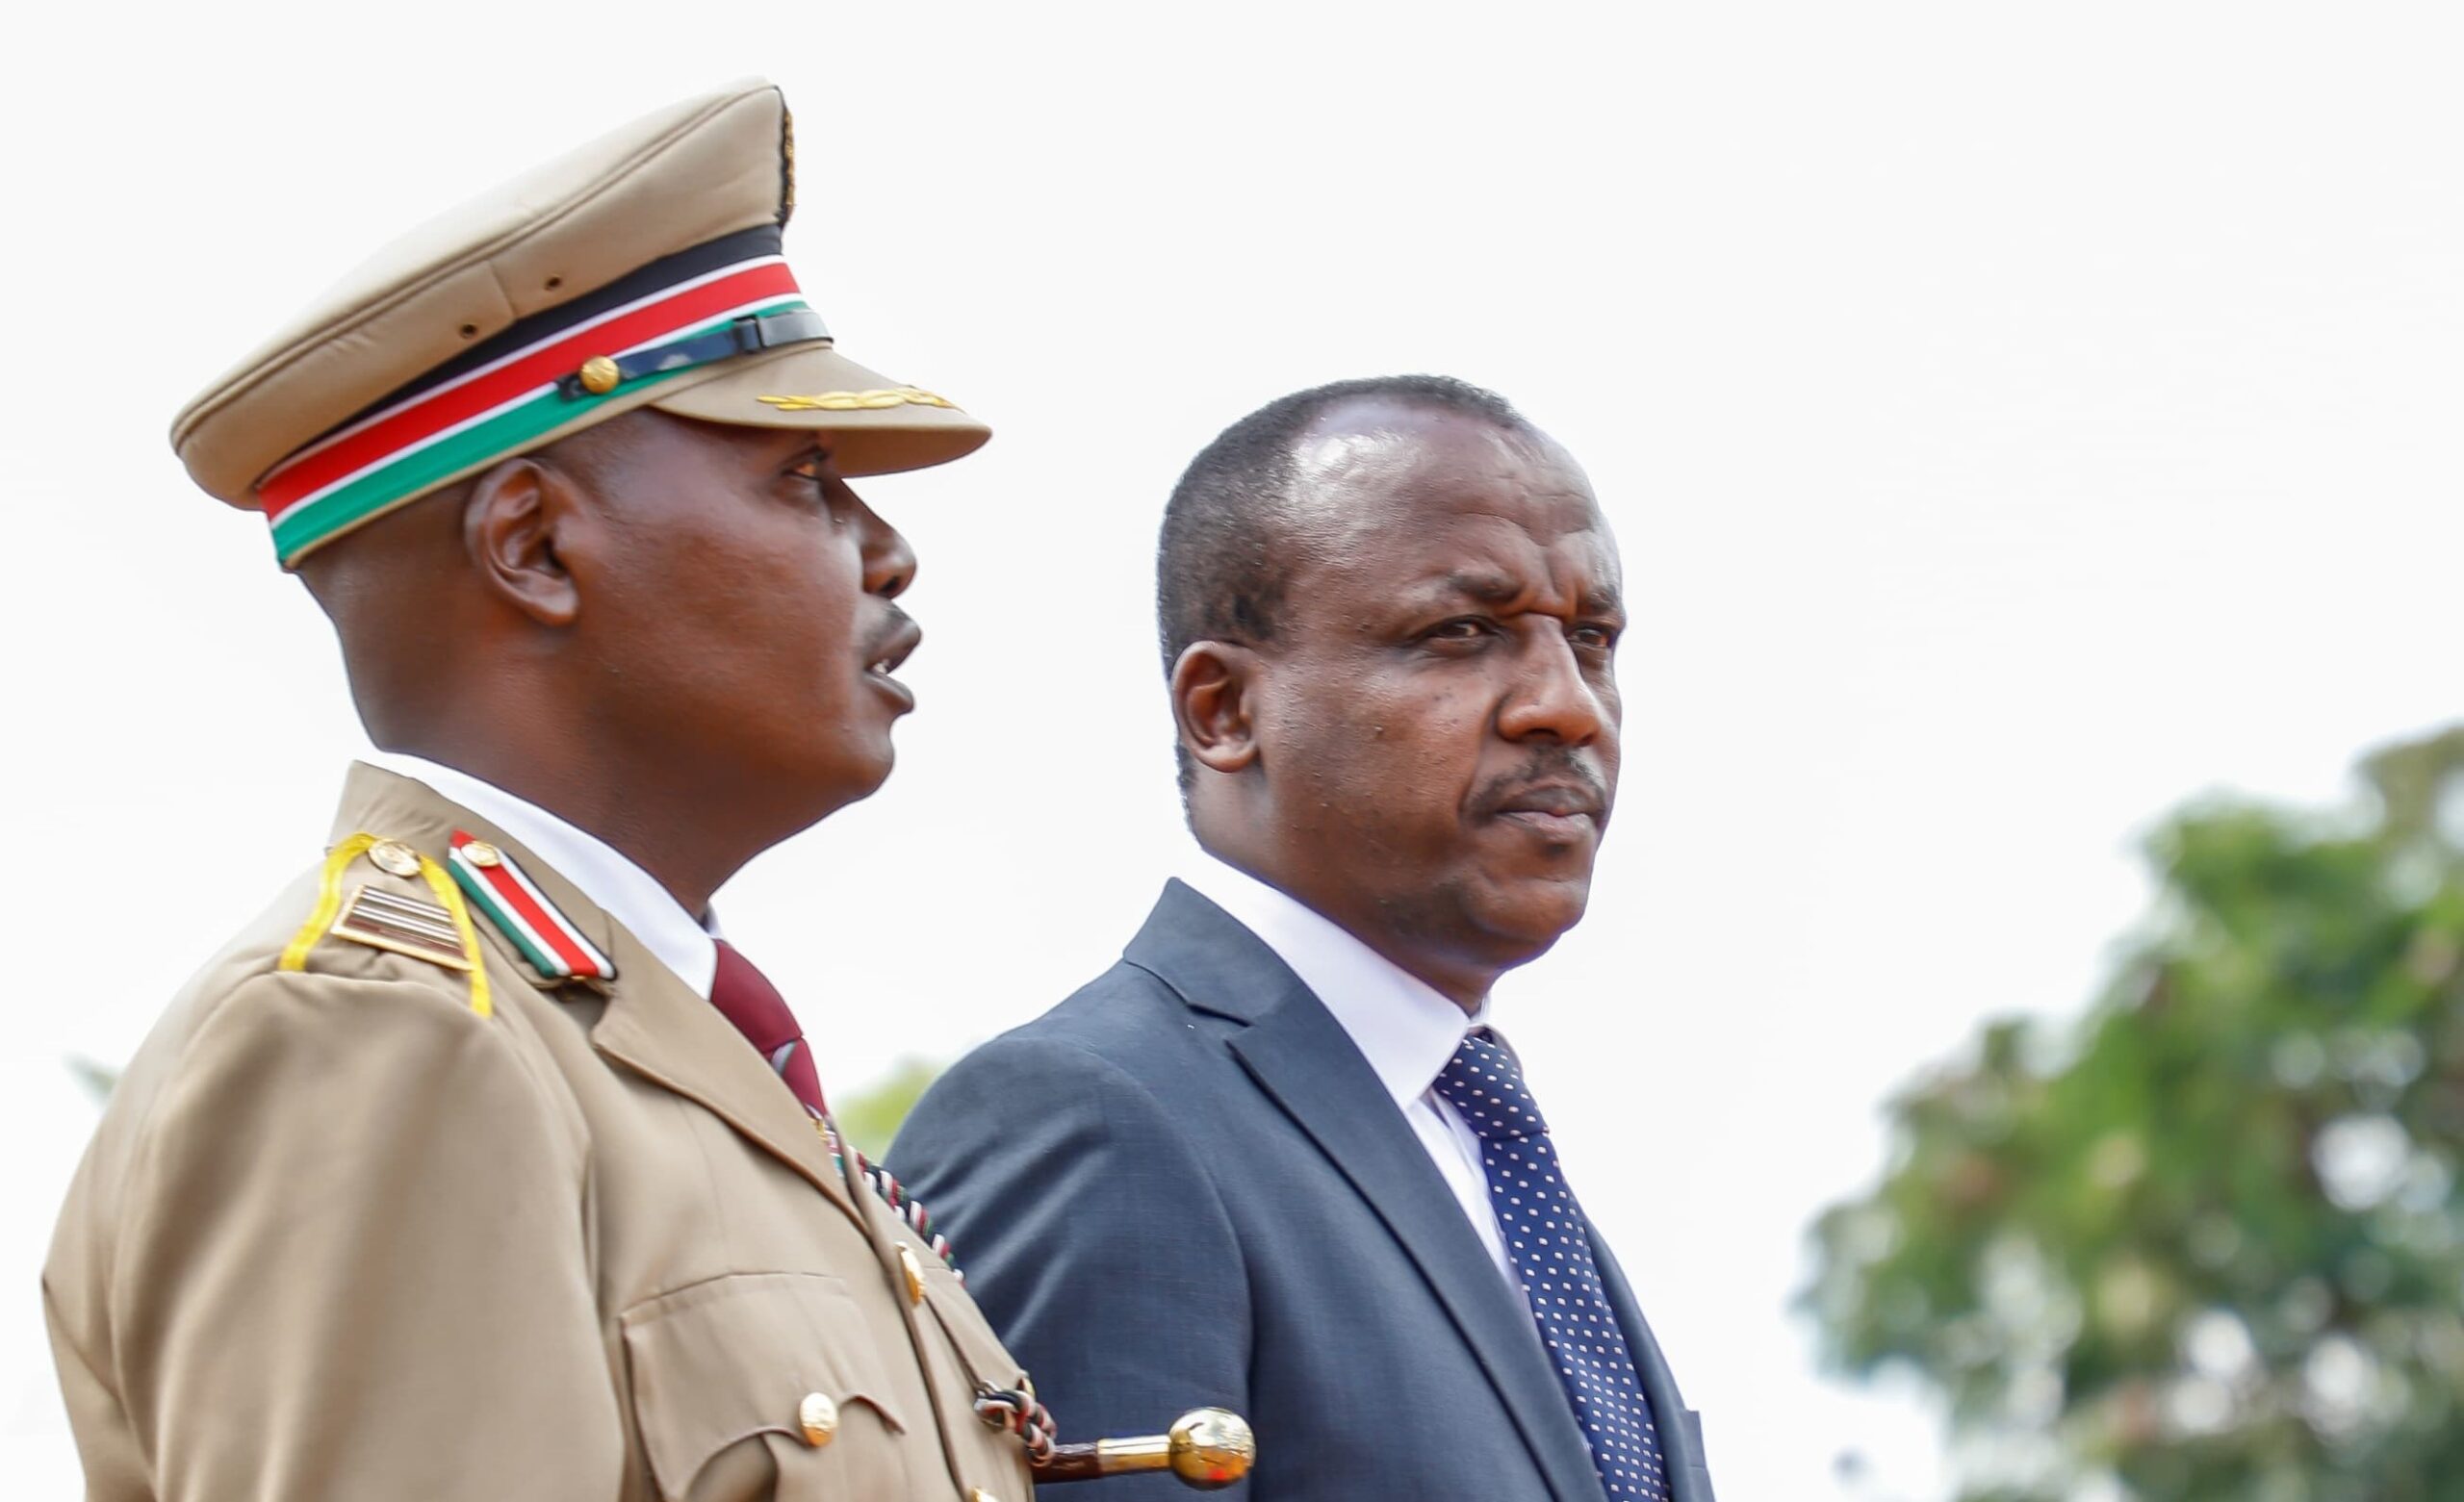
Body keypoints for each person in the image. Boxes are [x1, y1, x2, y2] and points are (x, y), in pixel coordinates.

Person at [44, 80, 1053, 1502]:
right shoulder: (385, 1036)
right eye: (807, 478)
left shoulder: (648, 1059)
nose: (886, 551)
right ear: (533, 545)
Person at [890, 376, 1718, 1501]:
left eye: (1591, 638)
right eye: (1462, 632)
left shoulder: (1474, 1139)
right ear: (1224, 710)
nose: (1564, 704)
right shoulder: (1095, 1122)